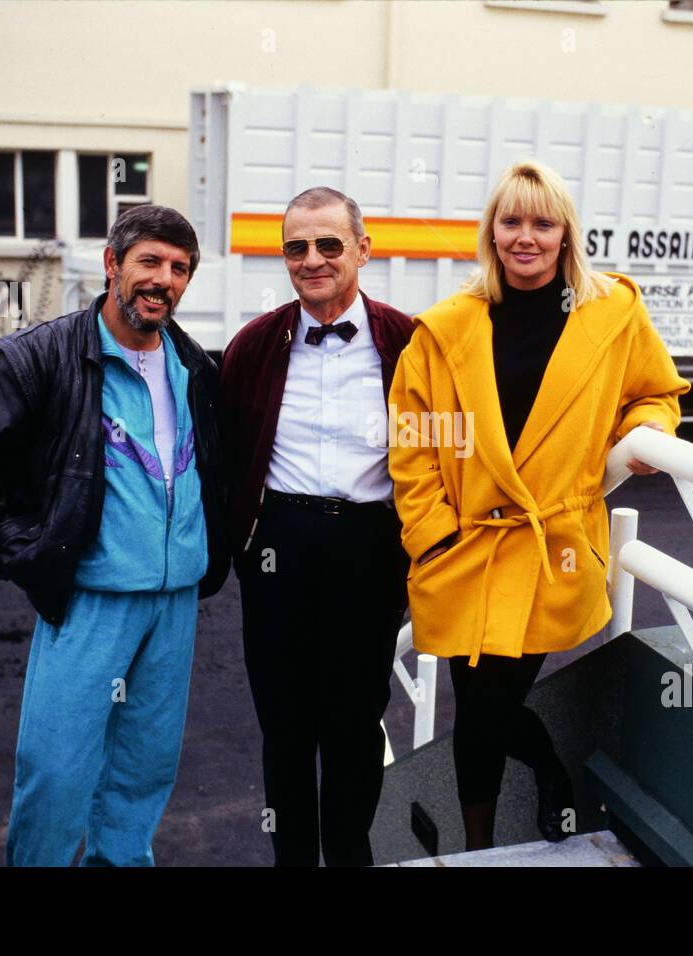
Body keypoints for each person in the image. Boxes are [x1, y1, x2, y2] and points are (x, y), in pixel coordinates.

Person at [388, 160, 690, 851]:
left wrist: (648, 430)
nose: (526, 236)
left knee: (489, 706)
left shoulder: (611, 313)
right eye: (512, 220)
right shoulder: (445, 329)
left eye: (542, 222)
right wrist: (432, 537)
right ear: (492, 233)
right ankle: (487, 841)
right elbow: (413, 444)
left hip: (549, 550)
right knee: (477, 709)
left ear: (565, 235)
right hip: (465, 554)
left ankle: (503, 819)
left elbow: (656, 391)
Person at [0, 205, 230, 866]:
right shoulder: (40, 356)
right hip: (91, 598)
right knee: (57, 766)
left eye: (179, 269)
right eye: (149, 261)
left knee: (144, 768)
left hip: (174, 602)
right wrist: (15, 550)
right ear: (113, 265)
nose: (164, 280)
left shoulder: (194, 367)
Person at [218, 187, 414, 866]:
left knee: (356, 721)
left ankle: (351, 852)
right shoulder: (253, 345)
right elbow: (228, 451)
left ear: (363, 249)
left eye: (329, 244)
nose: (313, 260)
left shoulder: (408, 342)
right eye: (296, 247)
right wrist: (243, 544)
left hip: (369, 548)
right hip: (279, 549)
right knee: (285, 727)